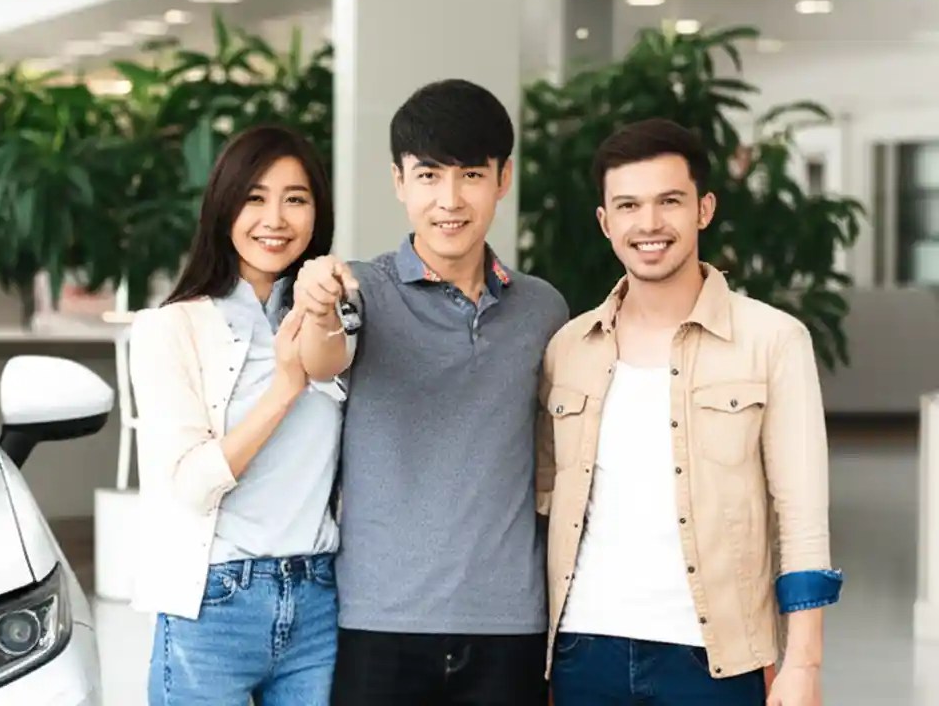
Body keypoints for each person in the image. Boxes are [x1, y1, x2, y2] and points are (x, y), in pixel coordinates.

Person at [538, 118, 843, 705]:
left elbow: (802, 517)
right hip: (584, 652)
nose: (648, 223)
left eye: (668, 201)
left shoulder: (773, 340)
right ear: (605, 222)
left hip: (715, 661)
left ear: (703, 209)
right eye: (627, 205)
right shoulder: (569, 348)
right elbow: (545, 502)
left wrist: (803, 663)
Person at [293, 78, 569, 705]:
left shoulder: (543, 309)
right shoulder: (358, 291)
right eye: (428, 176)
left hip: (509, 624)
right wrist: (320, 308)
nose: (449, 199)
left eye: (471, 174)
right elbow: (321, 359)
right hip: (378, 622)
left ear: (503, 179)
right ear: (399, 182)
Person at [127, 124, 348, 705]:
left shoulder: (340, 320)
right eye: (254, 198)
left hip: (318, 602)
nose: (275, 218)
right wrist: (285, 387)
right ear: (223, 207)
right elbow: (191, 484)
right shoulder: (170, 329)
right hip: (213, 608)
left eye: (295, 199)